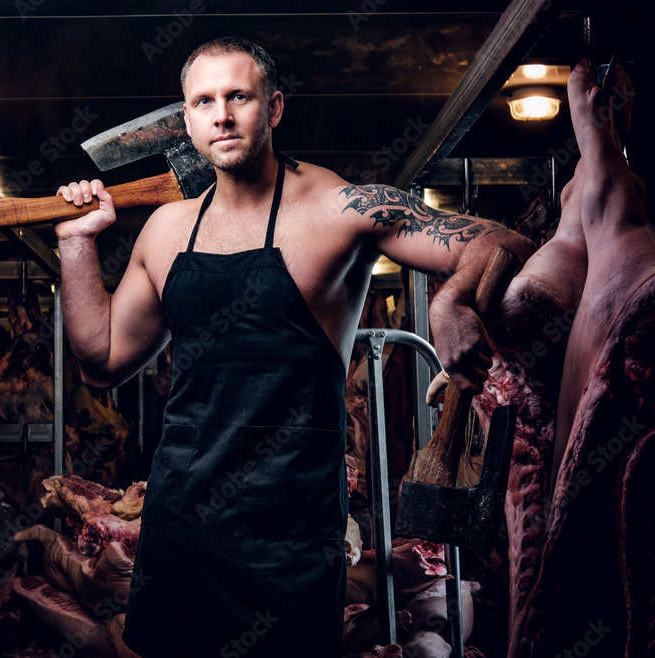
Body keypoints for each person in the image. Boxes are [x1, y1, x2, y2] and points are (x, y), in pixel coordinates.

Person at [54, 37, 533, 657]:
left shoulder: (341, 208)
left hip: (290, 534)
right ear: (188, 120)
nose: (222, 114)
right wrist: (76, 243)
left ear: (274, 108)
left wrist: (451, 302)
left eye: (239, 97)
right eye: (204, 101)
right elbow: (101, 361)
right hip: (180, 527)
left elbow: (501, 241)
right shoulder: (166, 230)